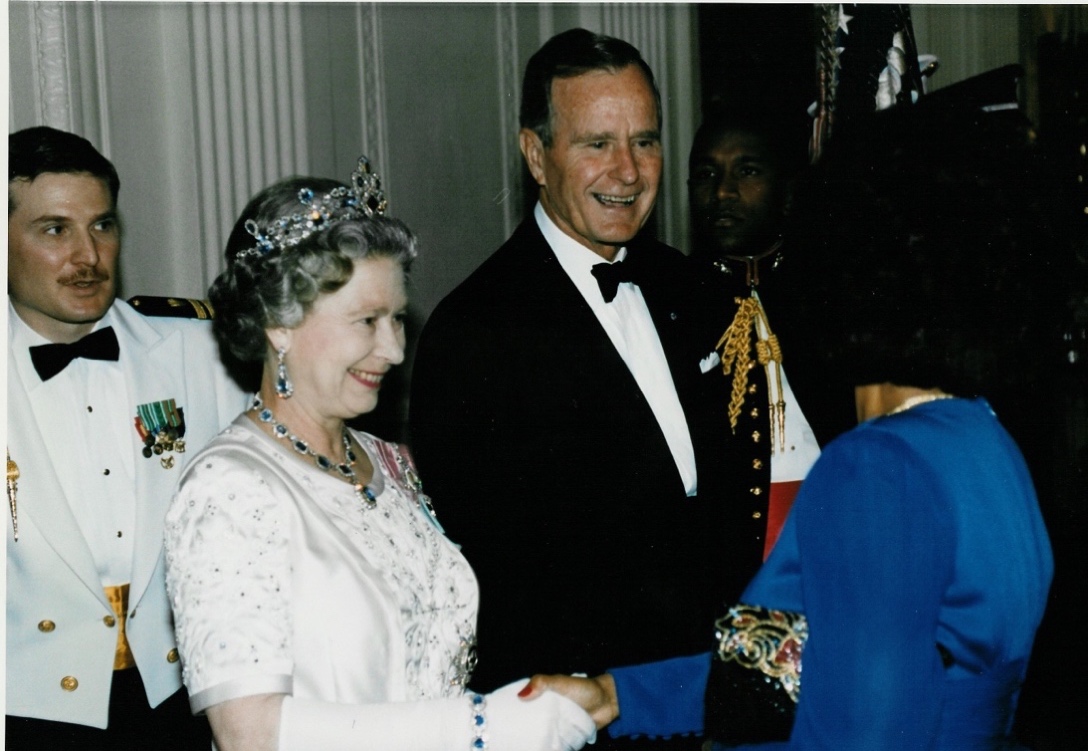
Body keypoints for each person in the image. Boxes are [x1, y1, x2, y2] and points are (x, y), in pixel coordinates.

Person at [522, 98, 1057, 750]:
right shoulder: (985, 438)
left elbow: (859, 732)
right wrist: (614, 695)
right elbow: (811, 659)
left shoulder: (876, 468)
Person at [162, 157, 597, 751]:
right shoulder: (229, 489)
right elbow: (251, 734)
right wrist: (479, 727)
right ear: (278, 324)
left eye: (395, 319)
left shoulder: (389, 462)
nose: (393, 350)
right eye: (366, 320)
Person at [408, 30, 749, 751]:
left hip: (720, 704)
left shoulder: (700, 292)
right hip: (585, 724)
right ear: (536, 155)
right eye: (597, 143)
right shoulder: (472, 334)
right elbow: (485, 587)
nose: (627, 170)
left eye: (646, 141)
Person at [6, 126, 245, 748]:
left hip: (178, 700)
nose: (87, 255)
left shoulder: (201, 351)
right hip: (27, 711)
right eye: (55, 230)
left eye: (103, 227)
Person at [686, 106, 832, 561]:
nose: (723, 192)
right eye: (706, 174)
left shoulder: (828, 297)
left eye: (746, 171)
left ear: (787, 191)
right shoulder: (673, 304)